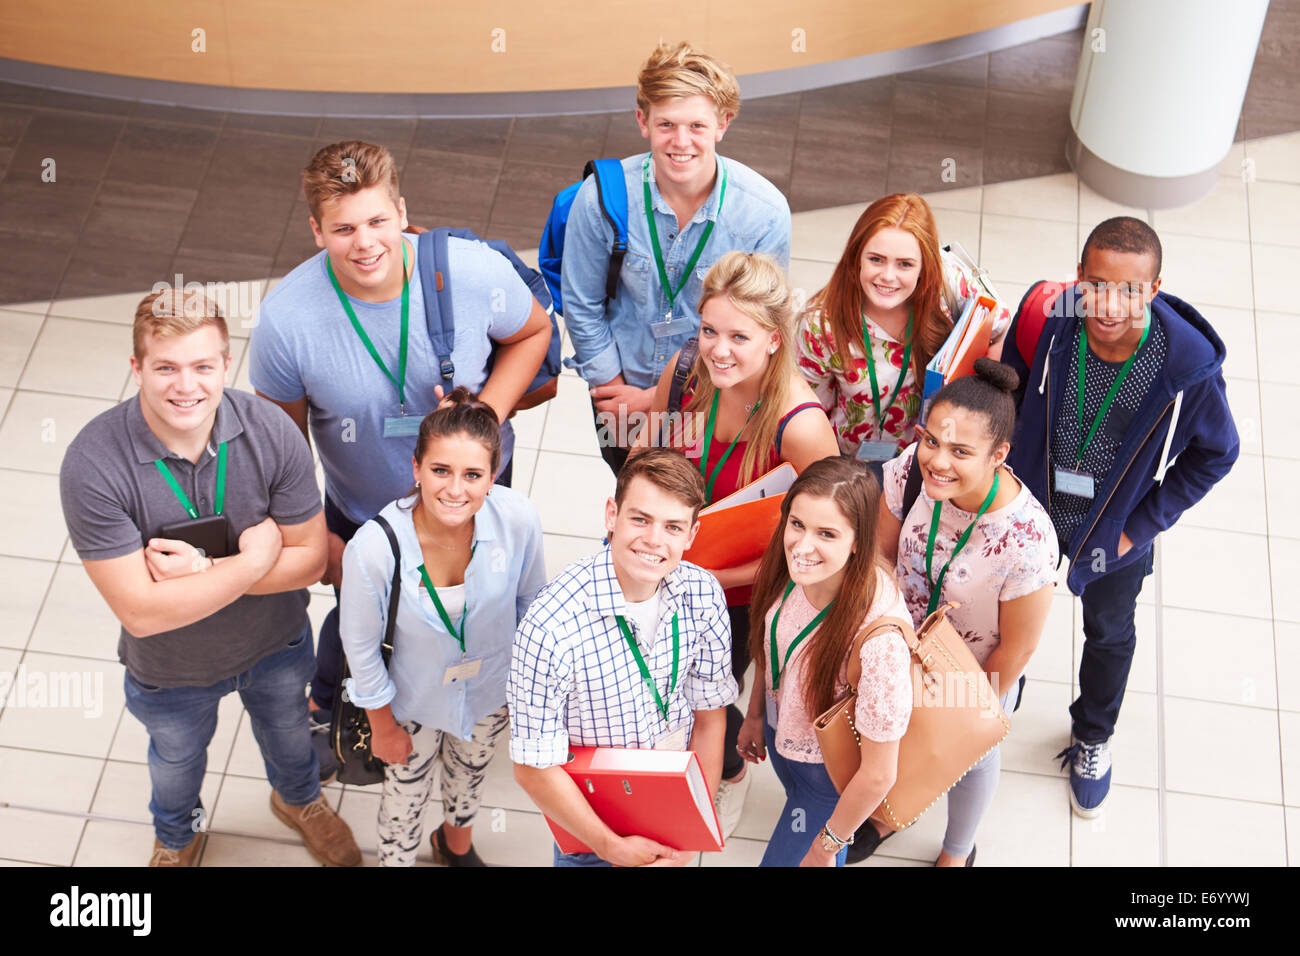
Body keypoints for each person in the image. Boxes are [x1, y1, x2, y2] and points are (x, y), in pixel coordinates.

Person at [248, 140, 552, 777]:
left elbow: (534, 331)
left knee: (469, 601)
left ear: (402, 210)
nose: (365, 243)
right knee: (365, 614)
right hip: (366, 509)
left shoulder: (468, 273)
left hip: (476, 490)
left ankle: (463, 696)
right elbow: (283, 449)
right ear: (316, 230)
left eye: (378, 221)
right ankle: (334, 706)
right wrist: (314, 536)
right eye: (344, 228)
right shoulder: (287, 319)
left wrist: (486, 417)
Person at [58, 289, 360, 867]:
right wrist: (247, 562)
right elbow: (142, 611)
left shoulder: (270, 430)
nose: (186, 386)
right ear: (137, 368)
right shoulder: (93, 464)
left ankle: (299, 802)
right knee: (175, 764)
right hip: (172, 668)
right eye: (165, 367)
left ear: (226, 365)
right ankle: (177, 837)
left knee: (291, 735)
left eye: (202, 366)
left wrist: (196, 575)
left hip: (275, 642)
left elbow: (312, 563)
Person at [1001, 216, 1238, 817]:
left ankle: (1093, 737)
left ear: (1154, 290)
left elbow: (1218, 452)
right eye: (1097, 284)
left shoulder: (1185, 369)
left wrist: (1142, 526)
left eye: (1130, 290)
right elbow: (1008, 391)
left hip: (1113, 531)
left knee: (1109, 633)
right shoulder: (1048, 323)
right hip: (1029, 513)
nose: (1109, 304)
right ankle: (1006, 679)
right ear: (1078, 280)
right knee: (1002, 611)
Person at [642, 250, 839, 837]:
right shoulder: (682, 374)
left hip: (742, 593)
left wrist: (713, 580)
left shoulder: (799, 426)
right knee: (658, 677)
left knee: (716, 691)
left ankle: (727, 772)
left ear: (775, 340)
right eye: (708, 330)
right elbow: (645, 460)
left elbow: (822, 541)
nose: (717, 350)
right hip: (667, 564)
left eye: (739, 336)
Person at [856, 358, 1058, 866]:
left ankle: (957, 850)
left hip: (973, 669)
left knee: (970, 757)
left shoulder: (1028, 540)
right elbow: (880, 554)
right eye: (931, 440)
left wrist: (971, 711)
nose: (937, 462)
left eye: (961, 451)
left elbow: (1019, 645)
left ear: (999, 455)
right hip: (902, 642)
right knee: (896, 732)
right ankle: (889, 812)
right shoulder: (908, 469)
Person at [562, 40, 791, 476]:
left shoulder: (764, 213)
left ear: (723, 124)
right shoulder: (601, 199)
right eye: (666, 123)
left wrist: (656, 400)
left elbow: (760, 331)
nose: (681, 142)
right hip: (620, 392)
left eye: (697, 127)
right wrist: (613, 391)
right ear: (642, 121)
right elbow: (581, 303)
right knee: (634, 490)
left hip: (713, 400)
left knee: (698, 507)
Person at [339, 389, 546, 866]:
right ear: (416, 468)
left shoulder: (517, 519)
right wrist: (382, 725)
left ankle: (454, 845)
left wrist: (526, 691)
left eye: (473, 475)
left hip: (490, 693)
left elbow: (531, 604)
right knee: (403, 801)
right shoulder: (373, 548)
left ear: (492, 477)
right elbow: (361, 647)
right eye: (440, 471)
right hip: (409, 701)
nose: (455, 490)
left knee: (470, 775)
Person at [508, 448, 738, 866]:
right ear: (611, 515)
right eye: (640, 519)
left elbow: (710, 718)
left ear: (691, 535)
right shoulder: (549, 627)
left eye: (672, 527)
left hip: (674, 807)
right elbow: (531, 766)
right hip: (593, 823)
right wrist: (609, 846)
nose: (654, 540)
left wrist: (687, 837)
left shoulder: (704, 594)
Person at [735, 456, 913, 867]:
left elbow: (879, 774)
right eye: (796, 524)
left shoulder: (880, 641)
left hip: (827, 777)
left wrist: (827, 843)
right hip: (785, 739)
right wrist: (757, 714)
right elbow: (772, 641)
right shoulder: (793, 566)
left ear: (857, 541)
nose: (803, 545)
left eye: (827, 533)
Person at [796, 193, 1013, 466]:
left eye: (905, 264)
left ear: (924, 267)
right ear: (856, 259)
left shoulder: (949, 284)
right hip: (847, 458)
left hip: (929, 459)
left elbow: (1002, 328)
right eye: (876, 259)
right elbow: (812, 414)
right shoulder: (820, 324)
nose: (888, 276)